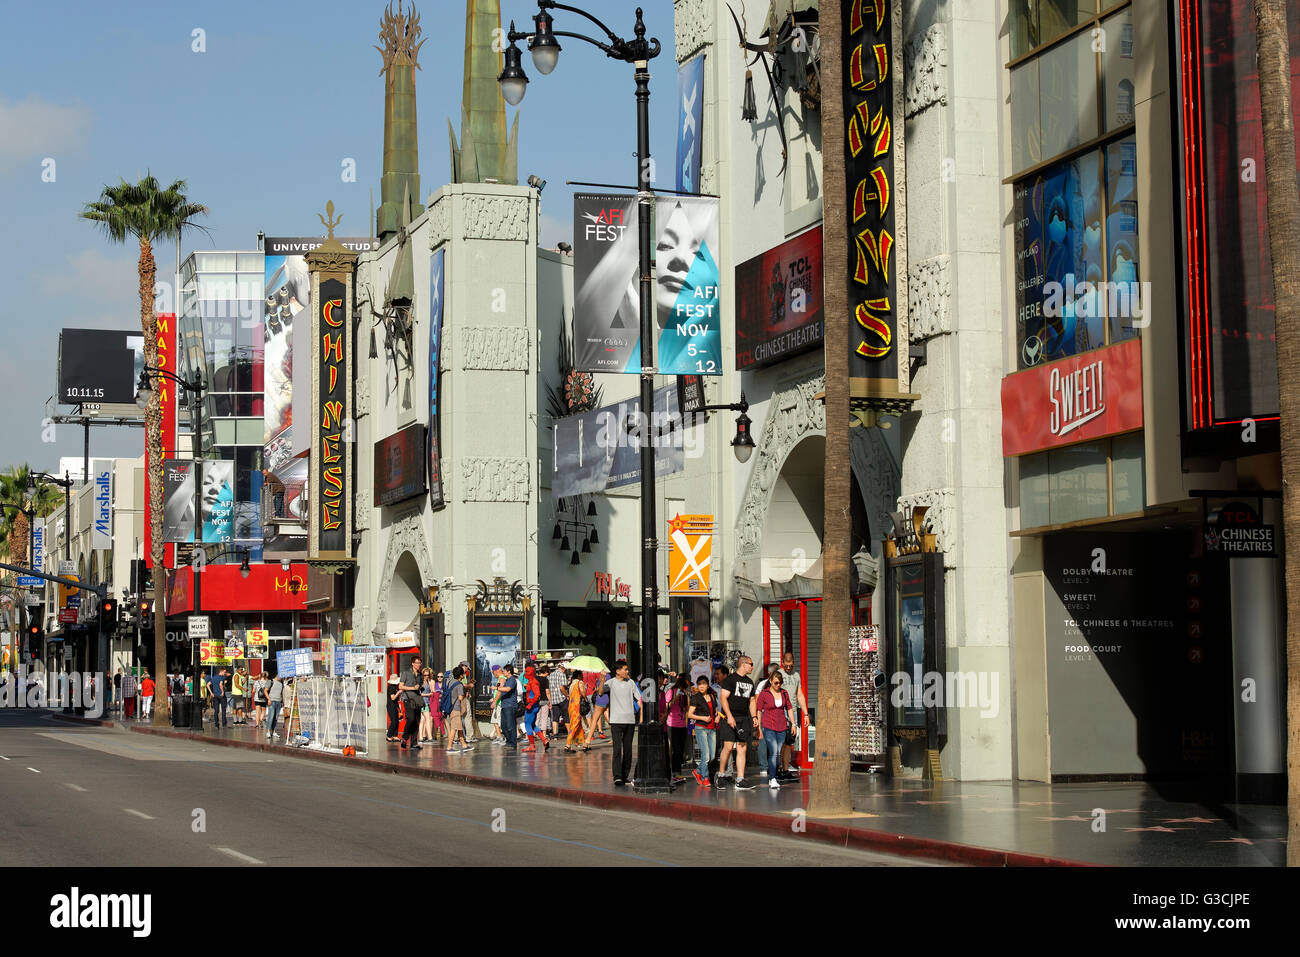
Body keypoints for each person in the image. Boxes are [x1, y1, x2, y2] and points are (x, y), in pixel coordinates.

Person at [717, 655, 757, 790]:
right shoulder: (730, 680)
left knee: (742, 747)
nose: (752, 667)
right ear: (744, 664)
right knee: (728, 747)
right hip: (730, 717)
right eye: (751, 664)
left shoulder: (750, 682)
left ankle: (740, 778)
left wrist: (754, 717)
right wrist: (729, 716)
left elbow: (752, 701)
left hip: (743, 718)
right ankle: (721, 775)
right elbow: (723, 698)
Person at [755, 671, 796, 789]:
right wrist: (759, 727)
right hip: (768, 726)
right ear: (771, 681)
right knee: (773, 752)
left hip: (782, 726)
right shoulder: (764, 693)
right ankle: (772, 778)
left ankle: (774, 774)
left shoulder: (784, 693)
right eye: (776, 683)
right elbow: (759, 710)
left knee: (778, 753)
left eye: (780, 683)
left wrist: (793, 724)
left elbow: (789, 708)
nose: (778, 685)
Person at [603, 661, 642, 786]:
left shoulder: (631, 683)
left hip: (629, 721)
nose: (627, 671)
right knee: (617, 749)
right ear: (617, 671)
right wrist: (602, 679)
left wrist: (641, 715)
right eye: (625, 669)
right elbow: (600, 692)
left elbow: (639, 698)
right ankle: (617, 776)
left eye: (627, 669)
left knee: (629, 750)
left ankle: (625, 775)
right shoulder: (611, 682)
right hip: (615, 721)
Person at [776, 651, 808, 780]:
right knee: (780, 742)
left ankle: (785, 769)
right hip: (781, 711)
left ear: (793, 662)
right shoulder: (778, 674)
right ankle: (777, 768)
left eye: (791, 665)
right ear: (782, 662)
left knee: (789, 742)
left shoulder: (796, 675)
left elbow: (799, 695)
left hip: (793, 711)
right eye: (786, 665)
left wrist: (805, 713)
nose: (788, 667)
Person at [687, 675, 719, 786]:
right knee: (706, 756)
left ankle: (697, 771)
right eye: (699, 684)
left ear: (707, 685)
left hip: (712, 728)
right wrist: (703, 718)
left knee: (713, 756)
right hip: (701, 728)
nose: (701, 686)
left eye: (703, 684)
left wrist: (717, 716)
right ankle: (705, 778)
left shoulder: (712, 696)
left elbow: (715, 711)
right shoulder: (695, 697)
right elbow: (690, 714)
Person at [662, 674, 691, 781]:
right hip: (672, 724)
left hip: (682, 724)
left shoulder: (685, 693)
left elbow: (687, 709)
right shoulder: (671, 691)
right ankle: (675, 772)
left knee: (681, 749)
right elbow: (667, 706)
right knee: (675, 749)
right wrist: (675, 698)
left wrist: (687, 697)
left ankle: (677, 772)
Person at [443, 666, 473, 753]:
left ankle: (464, 745)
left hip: (450, 707)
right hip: (456, 708)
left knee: (459, 726)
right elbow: (460, 698)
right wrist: (465, 694)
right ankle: (449, 747)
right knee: (454, 728)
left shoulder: (450, 682)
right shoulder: (459, 684)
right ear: (461, 675)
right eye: (463, 673)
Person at [398, 655, 424, 750]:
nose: (418, 665)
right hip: (407, 698)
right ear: (412, 663)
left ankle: (414, 743)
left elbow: (420, 687)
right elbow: (400, 686)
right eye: (417, 663)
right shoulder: (406, 673)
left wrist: (420, 688)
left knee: (417, 720)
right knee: (411, 719)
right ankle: (404, 737)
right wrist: (412, 688)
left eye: (420, 663)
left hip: (417, 699)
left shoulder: (420, 675)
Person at [496, 664, 520, 752]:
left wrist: (497, 688)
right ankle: (508, 741)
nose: (503, 672)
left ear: (509, 671)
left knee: (510, 726)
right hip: (504, 705)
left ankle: (513, 743)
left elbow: (507, 689)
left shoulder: (512, 680)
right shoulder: (507, 680)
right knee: (504, 725)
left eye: (504, 670)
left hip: (510, 705)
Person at [564, 673, 588, 753]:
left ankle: (584, 744)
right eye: (581, 675)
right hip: (577, 707)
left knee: (578, 725)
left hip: (571, 706)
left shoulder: (571, 683)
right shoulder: (579, 682)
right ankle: (567, 745)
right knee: (574, 726)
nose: (583, 677)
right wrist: (585, 698)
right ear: (578, 676)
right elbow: (582, 692)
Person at [521, 664, 543, 752]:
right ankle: (544, 740)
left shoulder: (533, 682)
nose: (525, 673)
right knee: (533, 725)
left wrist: (530, 704)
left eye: (527, 671)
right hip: (533, 705)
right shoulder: (532, 681)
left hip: (531, 706)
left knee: (527, 725)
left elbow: (537, 694)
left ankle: (532, 745)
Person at [586, 670, 610, 742]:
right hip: (607, 699)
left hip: (600, 699)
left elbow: (600, 690)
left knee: (594, 719)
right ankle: (615, 737)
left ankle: (588, 739)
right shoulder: (609, 676)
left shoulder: (603, 676)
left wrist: (596, 689)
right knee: (608, 718)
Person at [548, 662, 569, 737]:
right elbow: (561, 688)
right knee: (566, 716)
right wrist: (567, 695)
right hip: (562, 698)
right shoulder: (562, 674)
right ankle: (570, 733)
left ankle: (555, 734)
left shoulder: (551, 675)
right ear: (563, 668)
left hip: (554, 699)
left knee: (555, 718)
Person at [266, 672, 285, 739]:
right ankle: (268, 732)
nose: (282, 678)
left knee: (275, 718)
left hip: (278, 702)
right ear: (277, 675)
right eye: (281, 677)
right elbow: (265, 691)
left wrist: (282, 701)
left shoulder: (281, 683)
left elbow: (281, 693)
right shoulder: (270, 681)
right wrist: (268, 699)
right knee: (271, 717)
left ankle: (273, 731)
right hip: (272, 701)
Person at [419, 668, 436, 743]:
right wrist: (428, 694)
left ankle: (421, 737)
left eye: (427, 675)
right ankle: (429, 737)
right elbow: (420, 694)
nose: (426, 676)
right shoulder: (421, 683)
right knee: (428, 719)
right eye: (424, 675)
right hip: (423, 702)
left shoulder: (429, 682)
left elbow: (433, 691)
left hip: (427, 702)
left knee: (423, 720)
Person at [385, 674, 401, 742]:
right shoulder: (391, 687)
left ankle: (395, 735)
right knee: (394, 721)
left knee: (397, 721)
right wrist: (398, 693)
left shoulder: (395, 687)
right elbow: (393, 698)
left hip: (395, 705)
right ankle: (389, 735)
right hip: (391, 705)